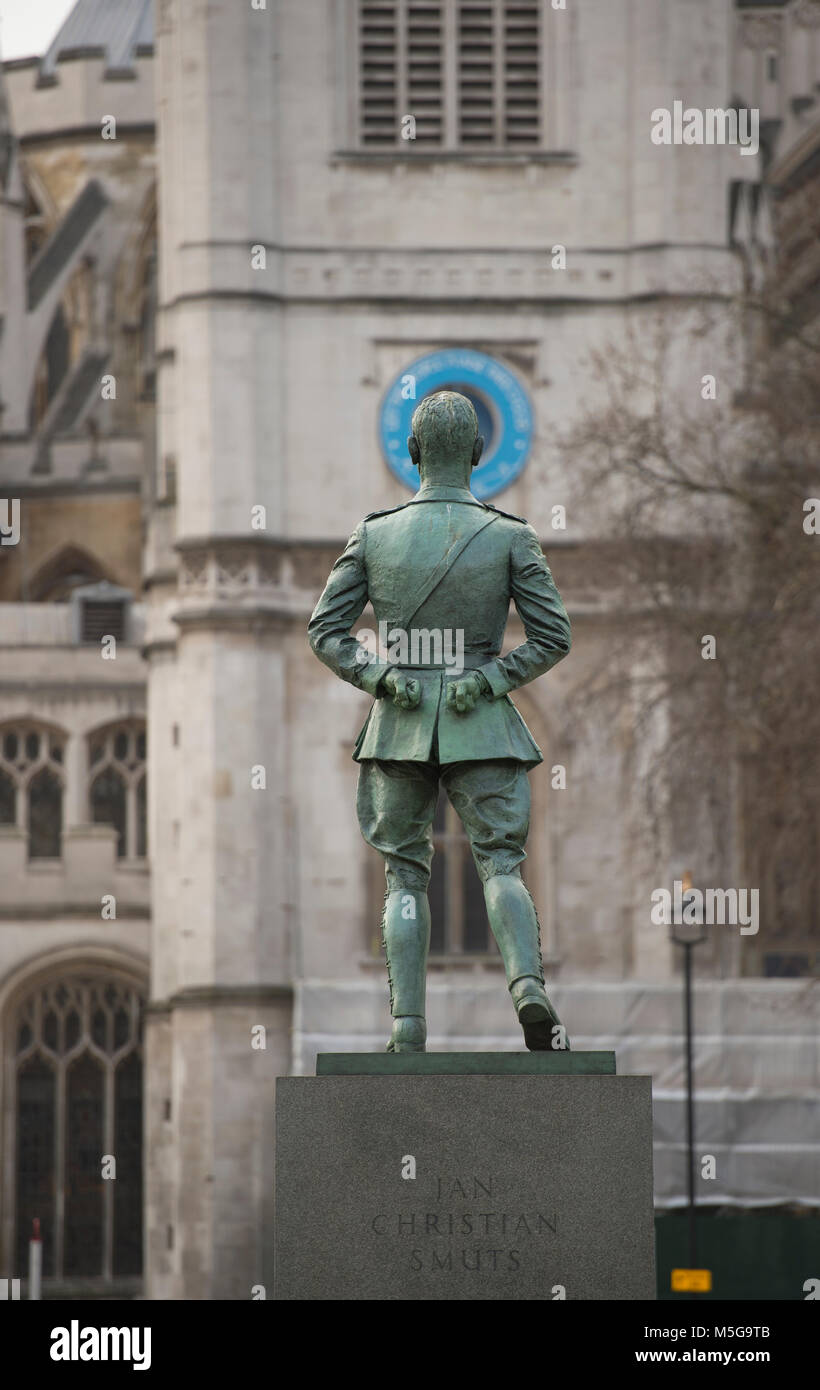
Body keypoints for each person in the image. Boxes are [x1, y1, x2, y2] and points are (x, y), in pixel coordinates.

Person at [308, 390, 572, 1052]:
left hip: (397, 722)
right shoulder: (512, 536)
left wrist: (380, 676)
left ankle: (407, 1026)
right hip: (480, 718)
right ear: (479, 455)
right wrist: (492, 677)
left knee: (403, 874)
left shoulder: (374, 533)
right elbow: (552, 637)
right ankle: (528, 988)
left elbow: (326, 632)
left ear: (413, 452)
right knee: (502, 865)